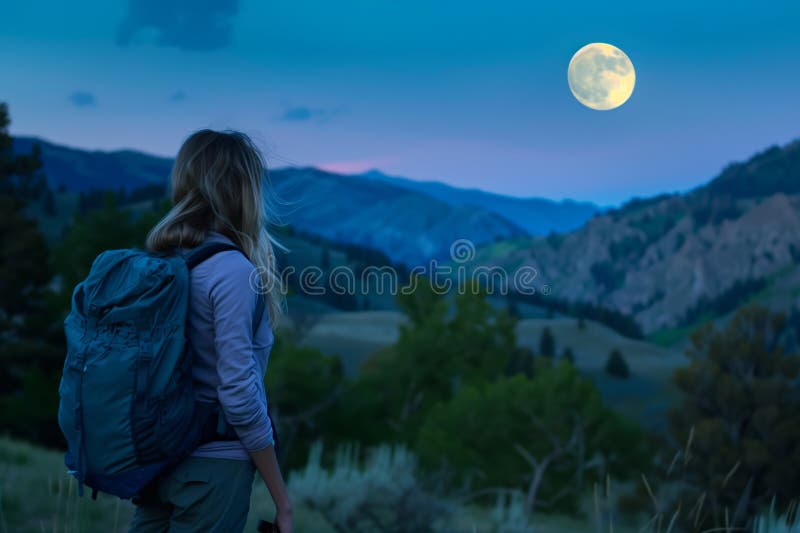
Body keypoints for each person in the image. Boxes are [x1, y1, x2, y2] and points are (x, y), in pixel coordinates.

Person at [128, 129, 293, 533]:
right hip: (213, 472)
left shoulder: (161, 263)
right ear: (243, 191)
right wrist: (282, 501)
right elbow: (237, 395)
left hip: (158, 463)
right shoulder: (233, 271)